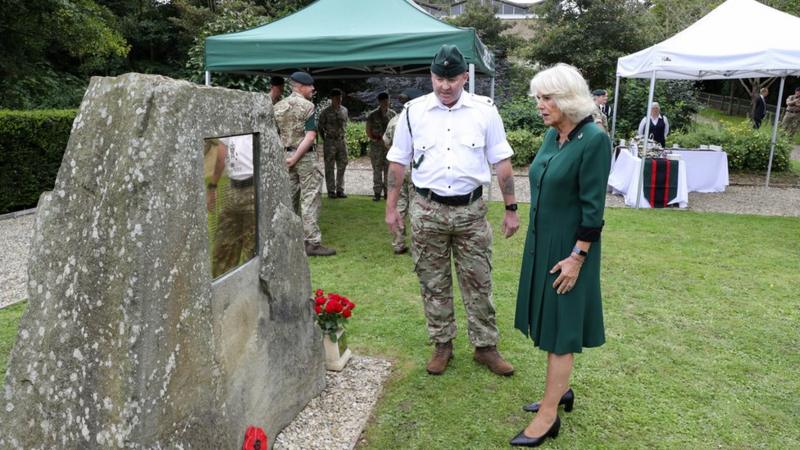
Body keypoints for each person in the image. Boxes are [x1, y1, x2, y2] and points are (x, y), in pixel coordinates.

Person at [385, 44, 520, 377]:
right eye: (439, 78)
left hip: (471, 212)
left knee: (479, 281)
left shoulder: (484, 111)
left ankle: (485, 347)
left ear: (464, 77)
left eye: (452, 79)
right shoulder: (413, 112)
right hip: (427, 210)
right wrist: (391, 208)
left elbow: (501, 161)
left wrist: (511, 208)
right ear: (431, 76)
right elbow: (398, 162)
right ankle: (442, 344)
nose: (445, 86)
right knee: (433, 282)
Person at [510, 63, 610, 447]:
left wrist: (576, 258)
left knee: (561, 332)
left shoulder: (593, 140)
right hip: (542, 244)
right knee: (549, 323)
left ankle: (548, 416)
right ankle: (559, 392)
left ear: (568, 98)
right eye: (537, 97)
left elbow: (593, 210)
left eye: (547, 97)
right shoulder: (554, 135)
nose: (540, 104)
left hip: (569, 251)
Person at [274, 71, 336, 257]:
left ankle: (288, 239)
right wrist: (296, 157)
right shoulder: (308, 106)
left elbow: (274, 134)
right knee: (310, 199)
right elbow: (310, 136)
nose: (313, 89)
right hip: (305, 157)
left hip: (284, 156)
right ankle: (312, 243)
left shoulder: (278, 106)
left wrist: (287, 156)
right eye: (310, 86)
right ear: (300, 86)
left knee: (289, 199)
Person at [206, 135, 257, 277]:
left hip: (255, 186)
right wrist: (212, 185)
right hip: (233, 189)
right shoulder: (230, 126)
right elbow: (222, 153)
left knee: (254, 250)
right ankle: (221, 285)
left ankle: (253, 286)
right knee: (223, 248)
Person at [382, 87, 424, 254]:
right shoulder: (421, 120)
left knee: (399, 204)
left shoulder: (394, 120)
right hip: (416, 166)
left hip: (398, 167)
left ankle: (398, 243)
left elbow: (386, 142)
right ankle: (417, 244)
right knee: (417, 205)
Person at [318, 88, 349, 199]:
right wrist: (326, 139)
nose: (339, 100)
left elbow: (345, 124)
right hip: (330, 141)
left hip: (341, 141)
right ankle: (331, 191)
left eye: (340, 98)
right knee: (329, 166)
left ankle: (340, 189)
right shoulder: (325, 112)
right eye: (336, 98)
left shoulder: (344, 110)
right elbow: (320, 127)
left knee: (342, 165)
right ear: (332, 98)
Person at [366, 92, 396, 201]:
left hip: (388, 147)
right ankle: (377, 193)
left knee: (389, 170)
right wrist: (373, 139)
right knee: (377, 169)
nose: (386, 103)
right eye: (383, 101)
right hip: (377, 146)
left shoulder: (393, 114)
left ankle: (387, 193)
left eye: (387, 101)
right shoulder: (373, 115)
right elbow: (368, 129)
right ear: (379, 102)